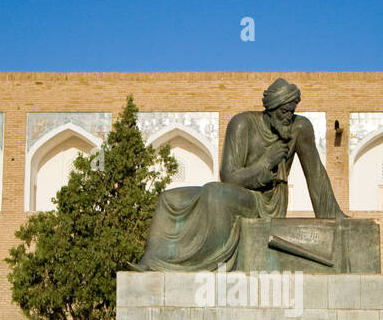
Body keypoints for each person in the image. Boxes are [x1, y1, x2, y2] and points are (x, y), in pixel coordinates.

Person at [127, 78, 346, 271]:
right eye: (283, 112)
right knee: (168, 199)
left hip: (266, 203)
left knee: (214, 193)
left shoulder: (300, 127)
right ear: (270, 110)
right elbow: (229, 176)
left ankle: (203, 262)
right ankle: (153, 262)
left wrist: (333, 216)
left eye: (291, 111)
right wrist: (265, 163)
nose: (288, 117)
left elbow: (315, 174)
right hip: (243, 192)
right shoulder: (242, 124)